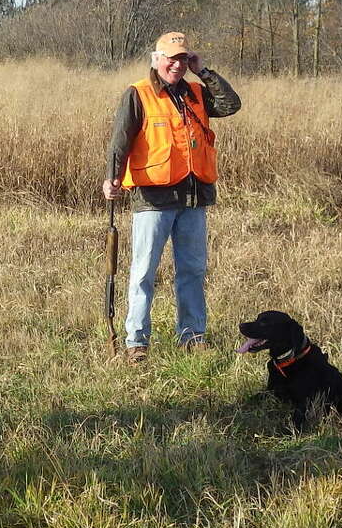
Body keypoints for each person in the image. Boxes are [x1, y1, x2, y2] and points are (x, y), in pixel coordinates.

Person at [102, 31, 240, 362]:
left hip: (193, 198)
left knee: (192, 270)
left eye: (182, 59)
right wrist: (113, 178)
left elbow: (231, 105)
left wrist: (203, 72)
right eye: (171, 59)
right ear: (157, 59)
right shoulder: (139, 94)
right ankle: (136, 341)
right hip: (153, 198)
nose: (176, 65)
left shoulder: (196, 92)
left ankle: (192, 336)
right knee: (144, 271)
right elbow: (120, 140)